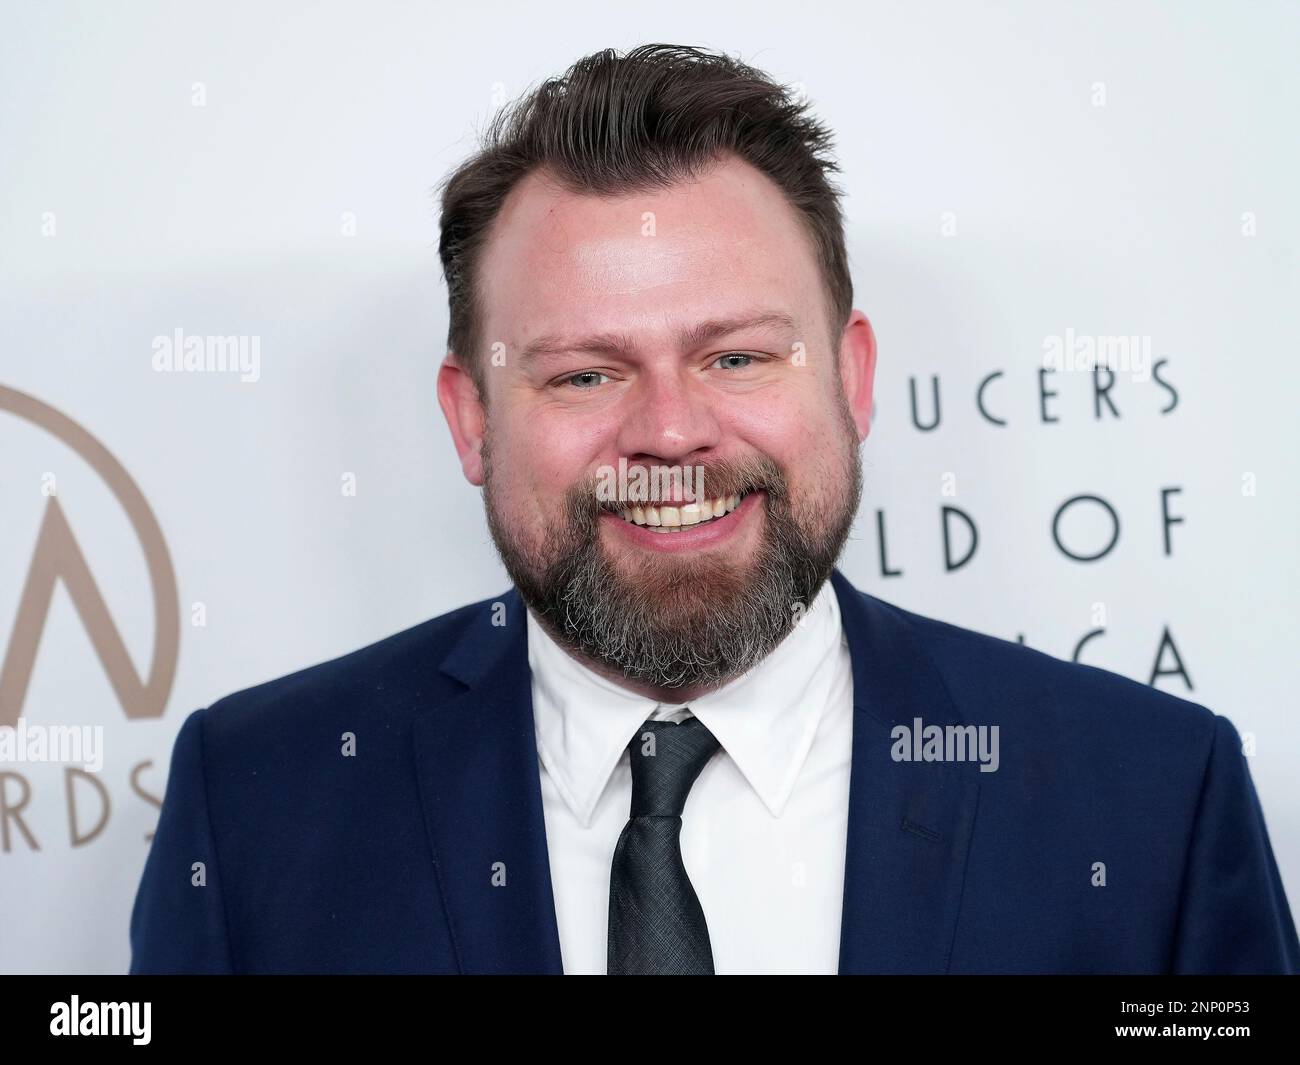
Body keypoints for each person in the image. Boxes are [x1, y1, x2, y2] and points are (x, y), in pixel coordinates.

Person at [129, 43, 1299, 975]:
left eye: (735, 357)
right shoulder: (258, 801)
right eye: (584, 374)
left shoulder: (1149, 797)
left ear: (850, 379)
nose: (671, 431)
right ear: (471, 418)